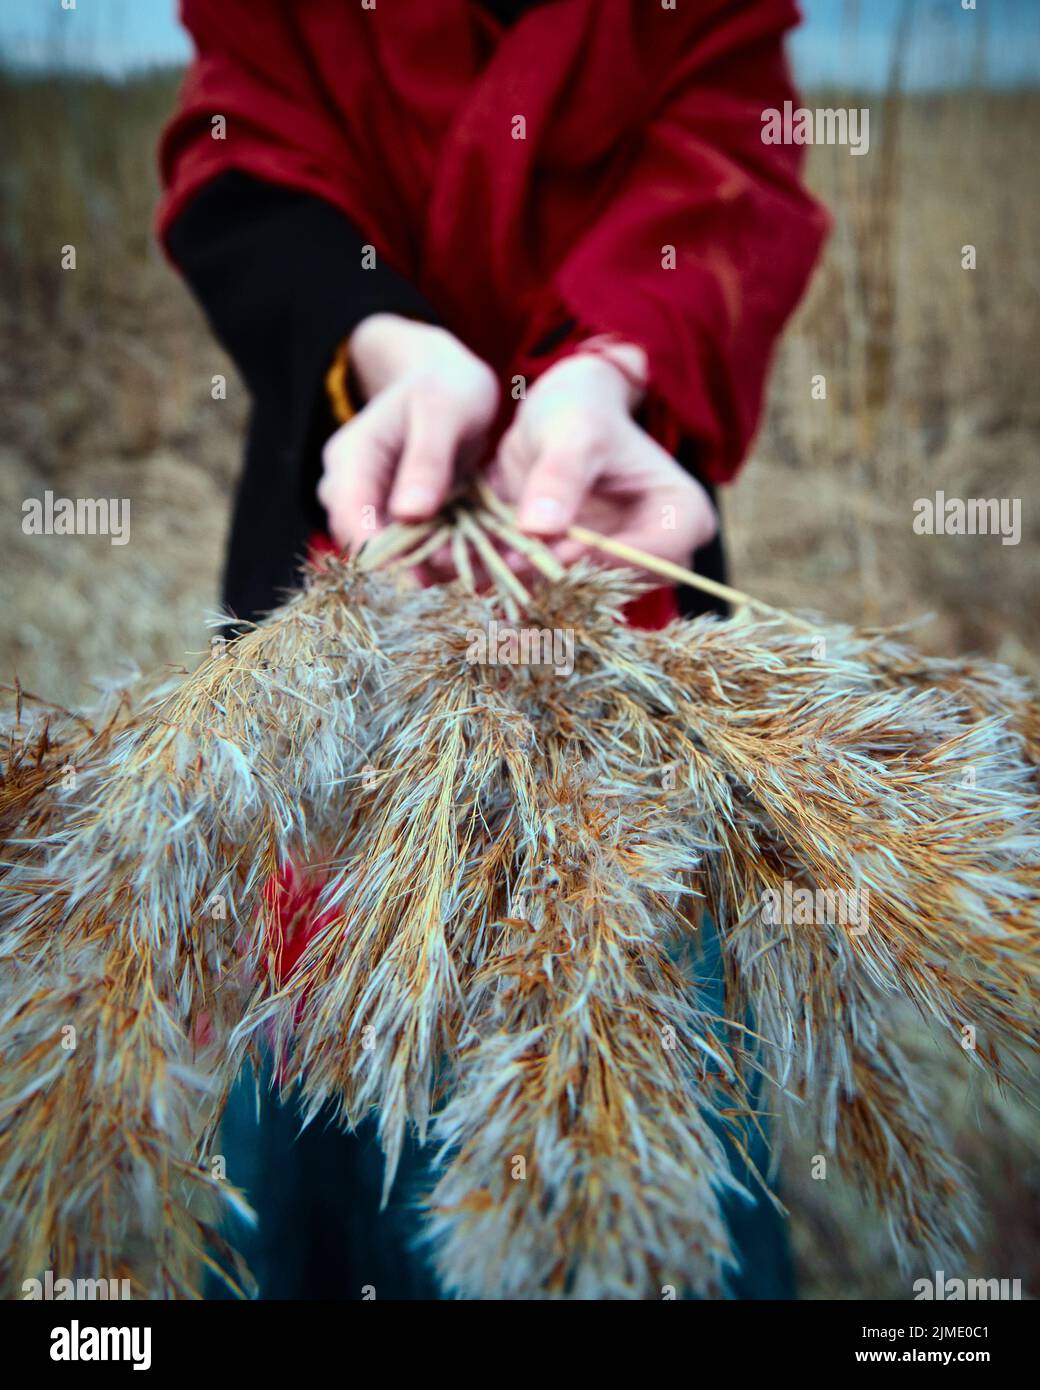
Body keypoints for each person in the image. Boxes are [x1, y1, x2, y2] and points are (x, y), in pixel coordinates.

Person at [158, 0, 827, 1299]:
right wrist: (384, 347)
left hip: (614, 571)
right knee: (323, 1083)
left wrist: (609, 365)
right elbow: (245, 152)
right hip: (347, 558)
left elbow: (733, 162)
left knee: (644, 1049)